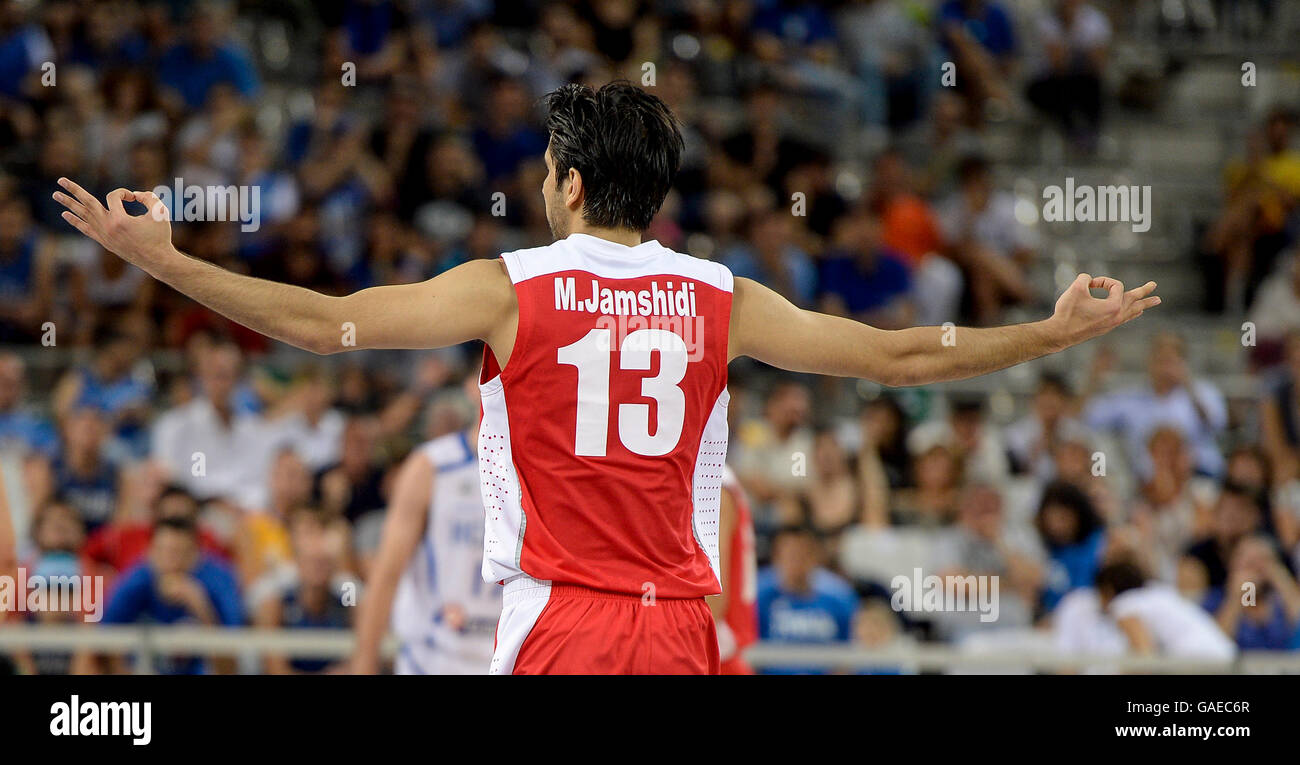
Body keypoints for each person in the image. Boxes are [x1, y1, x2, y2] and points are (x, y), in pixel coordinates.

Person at [52, 80, 1160, 675]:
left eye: (544, 171)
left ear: (572, 185)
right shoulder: (721, 296)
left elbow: (321, 325)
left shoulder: (511, 286)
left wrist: (170, 263)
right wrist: (1048, 334)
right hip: (679, 625)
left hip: (563, 621)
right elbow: (901, 353)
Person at [353, 377, 501, 675]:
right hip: (432, 660)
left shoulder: (537, 468)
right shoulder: (430, 465)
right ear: (473, 386)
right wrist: (364, 661)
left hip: (506, 658)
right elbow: (387, 572)